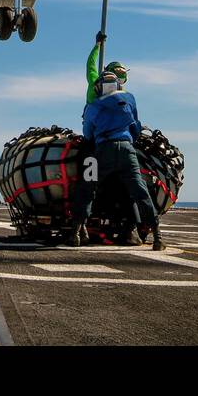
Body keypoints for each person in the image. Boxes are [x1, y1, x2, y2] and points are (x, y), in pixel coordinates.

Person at [68, 33, 164, 250]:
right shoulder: (129, 98)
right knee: (139, 190)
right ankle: (157, 235)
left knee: (87, 187)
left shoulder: (93, 106)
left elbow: (88, 134)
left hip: (101, 152)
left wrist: (97, 45)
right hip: (128, 152)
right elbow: (136, 126)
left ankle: (76, 231)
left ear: (99, 85)